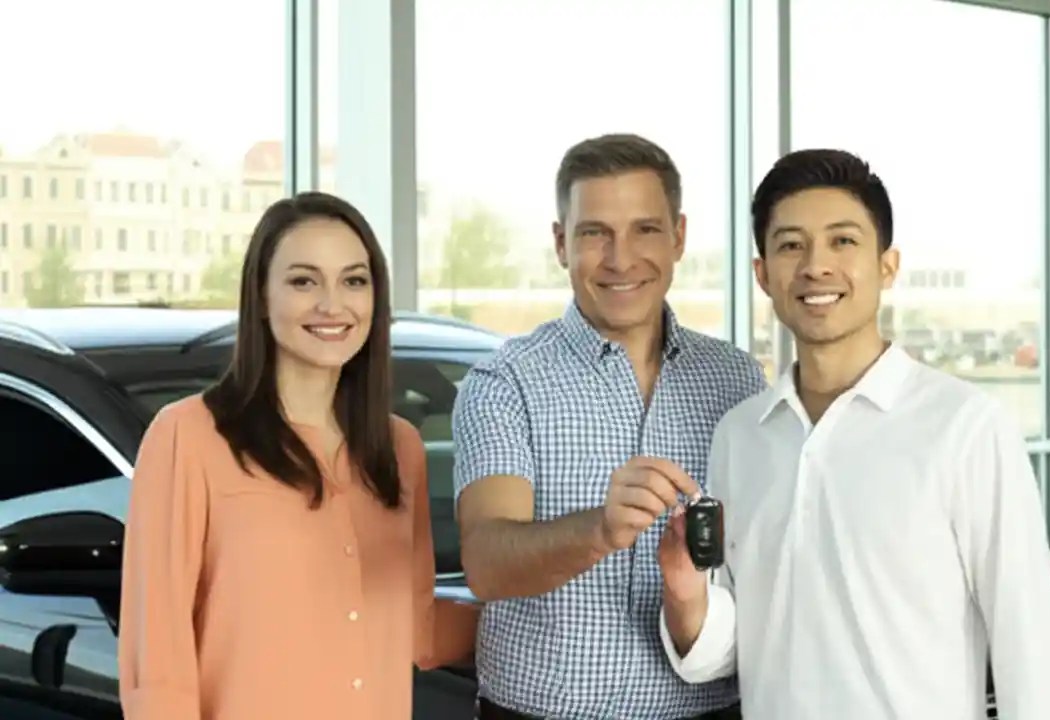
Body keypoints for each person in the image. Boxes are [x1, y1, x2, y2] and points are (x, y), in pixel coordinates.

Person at [656, 149, 1050, 719]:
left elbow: (1028, 641)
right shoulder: (739, 436)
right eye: (791, 245)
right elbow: (727, 653)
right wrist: (685, 593)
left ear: (887, 266)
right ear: (763, 274)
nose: (816, 266)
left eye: (843, 241)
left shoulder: (966, 426)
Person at [117, 191, 473, 719]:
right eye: (304, 281)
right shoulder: (188, 437)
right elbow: (158, 665)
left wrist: (551, 599)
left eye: (354, 280)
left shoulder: (399, 449)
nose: (333, 304)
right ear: (260, 296)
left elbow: (416, 627)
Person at [452, 133, 767, 720]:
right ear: (560, 243)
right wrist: (599, 529)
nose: (621, 259)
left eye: (645, 230)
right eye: (595, 232)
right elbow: (487, 564)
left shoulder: (737, 382)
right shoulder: (504, 382)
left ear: (679, 236)